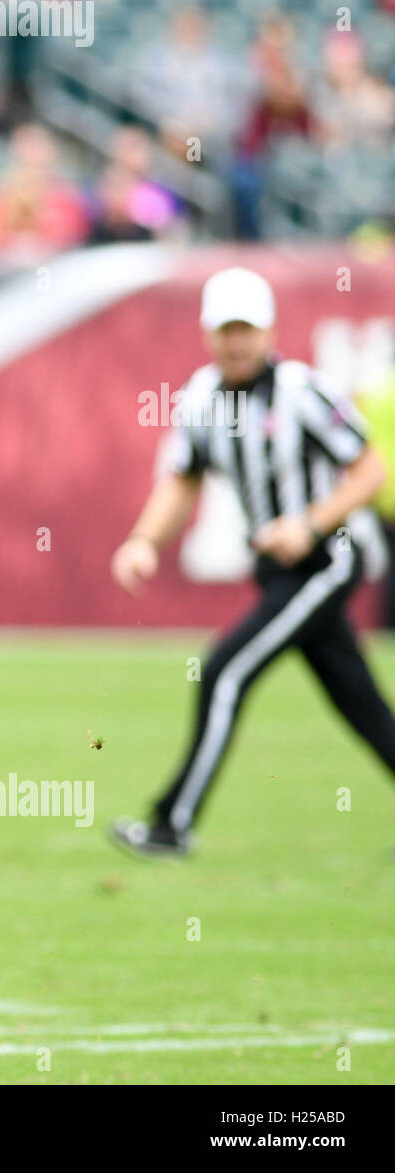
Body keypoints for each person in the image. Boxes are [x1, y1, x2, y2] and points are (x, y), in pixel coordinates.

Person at [109, 266, 395, 857]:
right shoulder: (201, 396)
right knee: (358, 700)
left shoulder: (303, 390)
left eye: (246, 328)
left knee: (225, 671)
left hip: (327, 560)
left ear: (268, 330)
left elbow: (370, 470)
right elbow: (182, 480)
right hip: (279, 572)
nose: (236, 341)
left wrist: (310, 523)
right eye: (225, 329)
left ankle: (172, 824)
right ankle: (172, 825)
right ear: (208, 333)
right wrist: (143, 540)